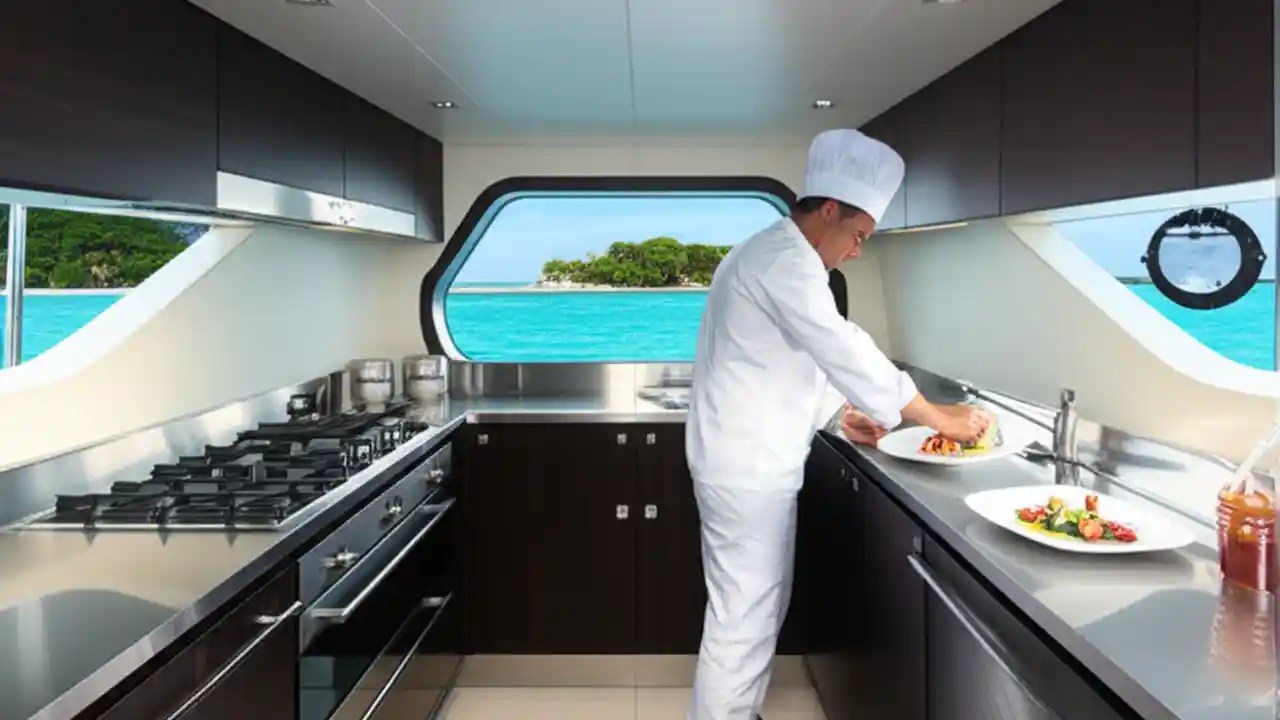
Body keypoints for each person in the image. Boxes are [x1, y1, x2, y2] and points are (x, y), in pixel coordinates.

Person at [685, 128, 991, 720]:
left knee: (751, 614)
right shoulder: (785, 262)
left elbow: (791, 359)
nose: (856, 251)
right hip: (746, 469)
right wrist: (934, 415)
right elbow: (840, 344)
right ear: (829, 211)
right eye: (857, 235)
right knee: (743, 620)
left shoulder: (777, 256)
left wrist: (840, 414)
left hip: (747, 461)